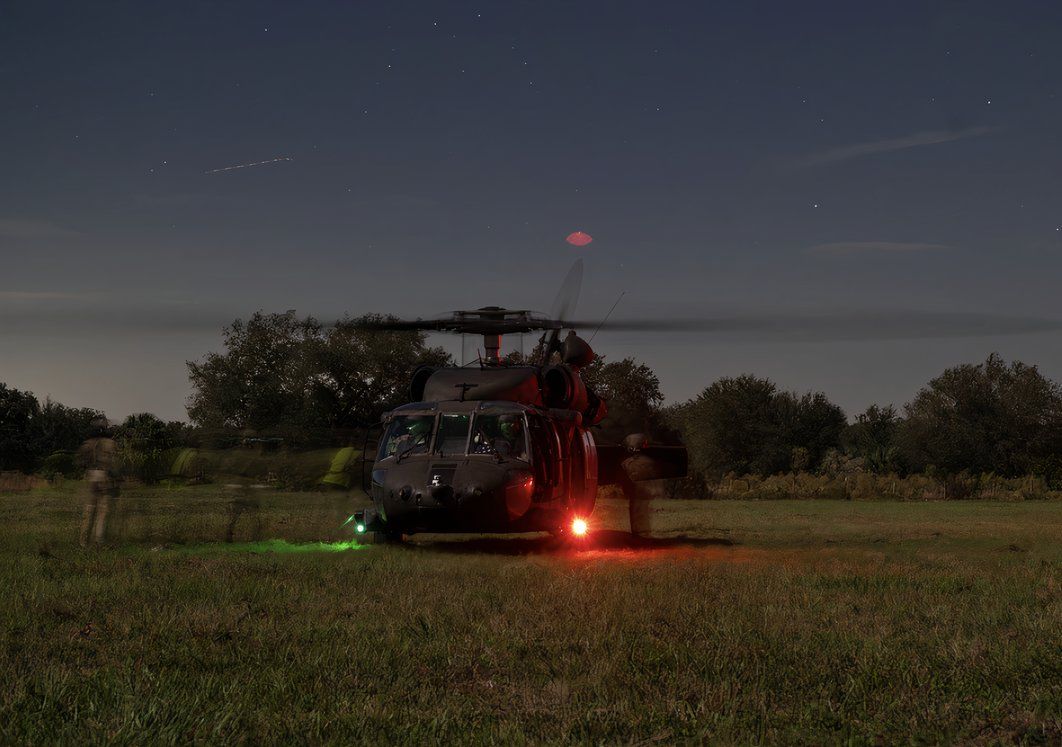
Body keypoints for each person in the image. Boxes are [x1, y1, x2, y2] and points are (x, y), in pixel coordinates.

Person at [77, 418, 119, 546]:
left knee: (89, 510)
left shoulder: (87, 444)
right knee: (103, 511)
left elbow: (80, 461)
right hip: (104, 477)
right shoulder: (110, 444)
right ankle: (99, 541)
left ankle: (83, 542)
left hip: (91, 476)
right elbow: (114, 464)